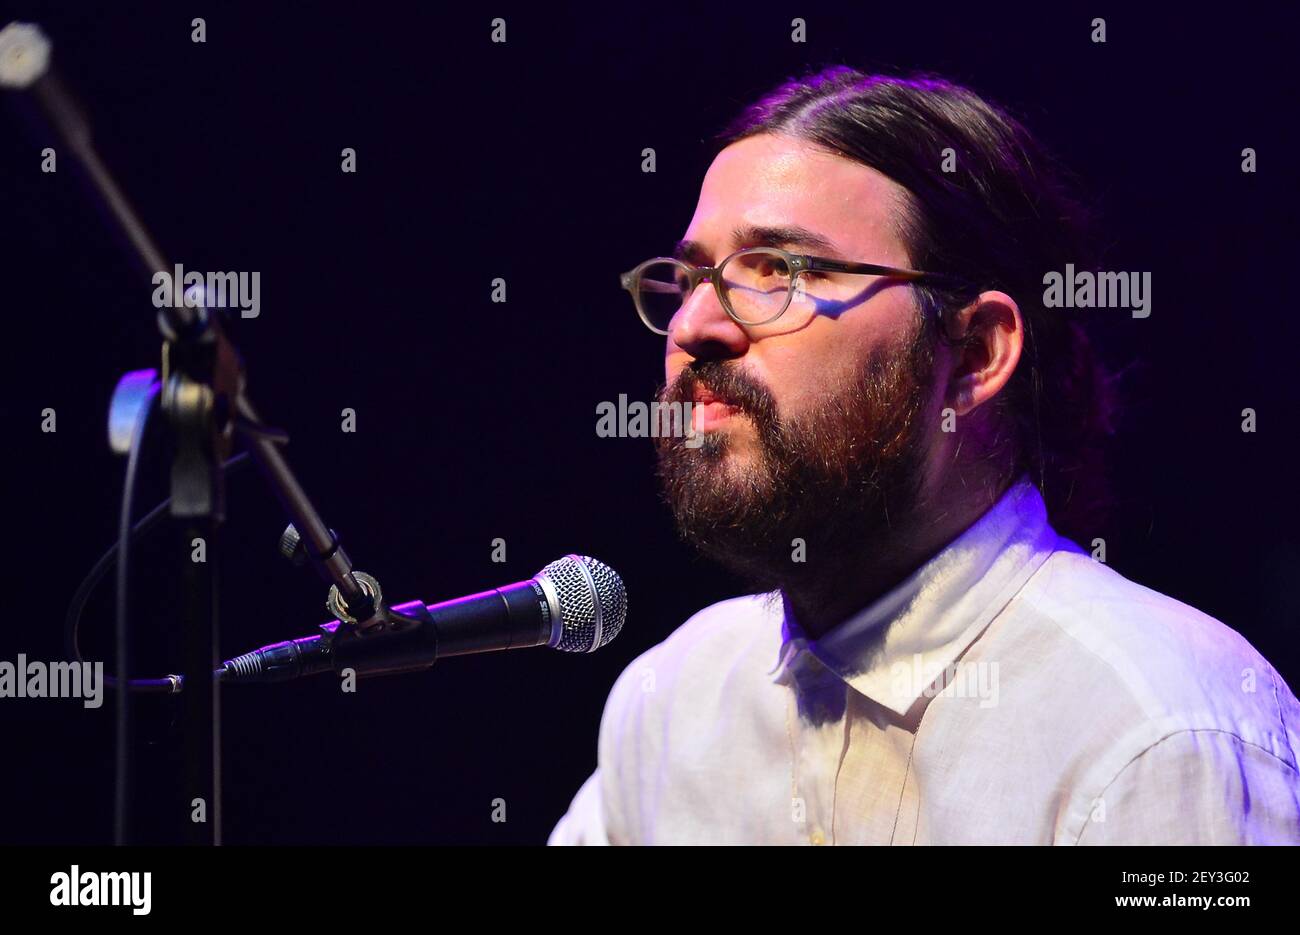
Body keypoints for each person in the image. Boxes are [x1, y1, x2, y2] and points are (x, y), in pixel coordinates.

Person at [549, 66, 1300, 845]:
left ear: (972, 354)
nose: (696, 325)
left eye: (779, 269)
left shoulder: (1153, 734)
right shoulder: (675, 702)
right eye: (694, 276)